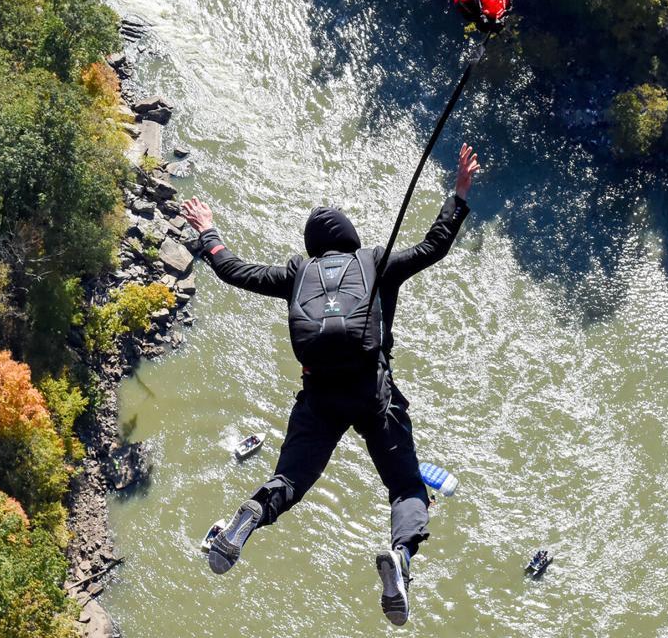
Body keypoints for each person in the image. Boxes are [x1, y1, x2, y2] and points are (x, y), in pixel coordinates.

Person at [179, 143, 481, 627]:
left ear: (312, 245)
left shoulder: (297, 274)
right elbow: (432, 247)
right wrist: (459, 194)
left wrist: (208, 232)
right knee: (406, 487)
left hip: (319, 397)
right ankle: (401, 558)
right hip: (373, 393)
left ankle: (251, 516)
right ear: (350, 235)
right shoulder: (375, 263)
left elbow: (236, 271)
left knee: (290, 481)